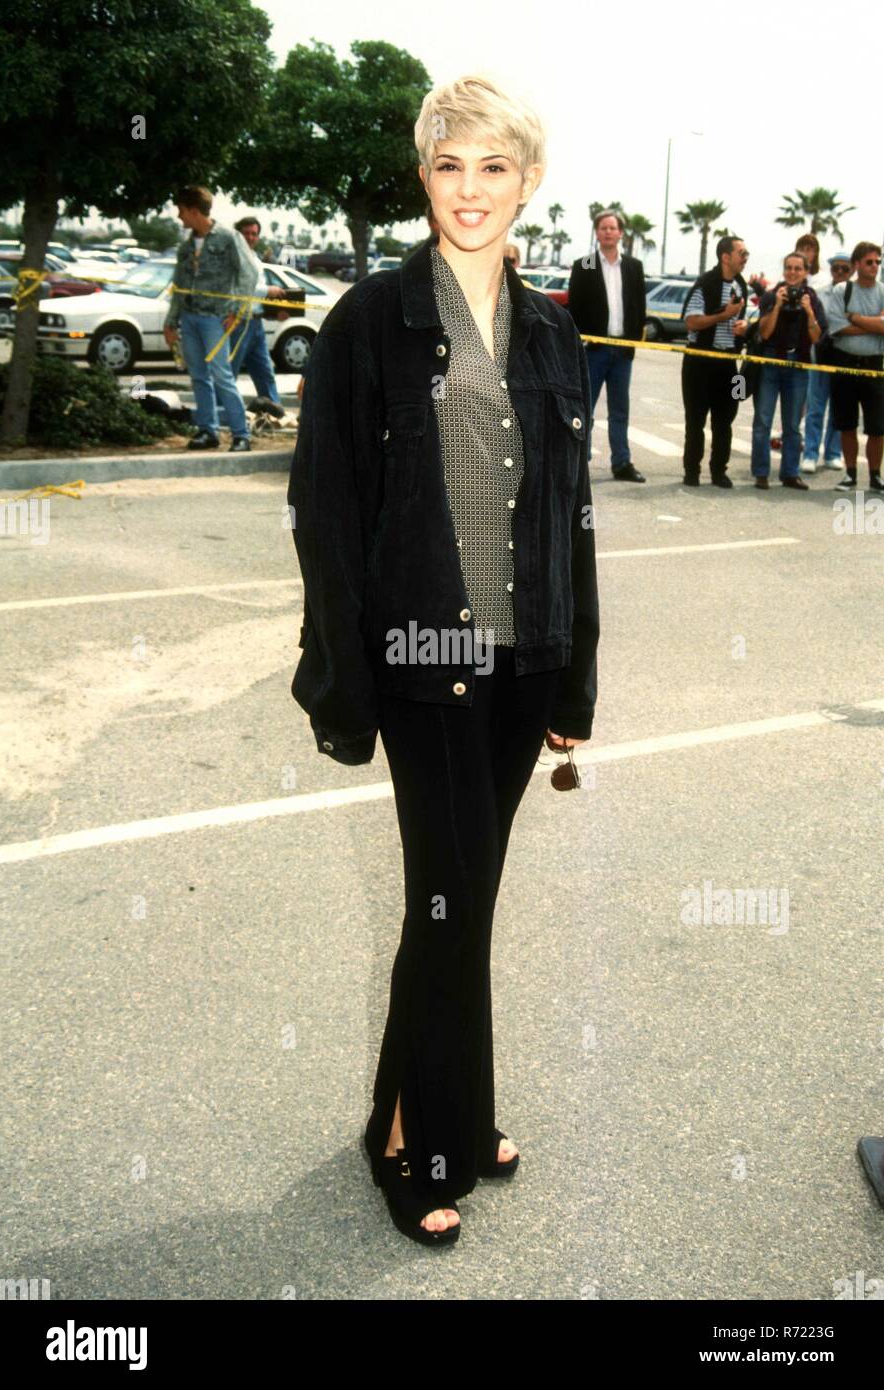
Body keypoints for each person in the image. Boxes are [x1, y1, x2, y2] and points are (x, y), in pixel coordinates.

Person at [287, 73, 599, 1246]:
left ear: (528, 182)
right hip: (425, 656)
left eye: (495, 167)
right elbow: (326, 510)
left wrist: (577, 677)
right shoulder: (370, 321)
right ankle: (417, 1140)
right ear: (424, 177)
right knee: (446, 898)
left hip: (524, 661)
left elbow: (570, 514)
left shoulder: (558, 328)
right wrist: (345, 674)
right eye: (450, 165)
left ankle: (438, 1112)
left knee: (464, 901)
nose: (472, 189)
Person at [163, 186, 259, 453]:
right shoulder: (185, 247)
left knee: (222, 376)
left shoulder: (229, 238)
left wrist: (237, 312)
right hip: (190, 318)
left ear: (194, 211)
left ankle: (241, 435)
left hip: (216, 319)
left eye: (181, 211)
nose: (179, 217)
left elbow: (249, 275)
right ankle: (208, 431)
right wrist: (171, 322)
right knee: (198, 377)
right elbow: (178, 286)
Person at [567, 210, 647, 481]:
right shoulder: (586, 264)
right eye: (603, 228)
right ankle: (580, 463)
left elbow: (639, 307)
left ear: (621, 233)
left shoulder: (633, 266)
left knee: (620, 410)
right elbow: (575, 307)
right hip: (594, 351)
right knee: (585, 409)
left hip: (622, 352)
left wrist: (632, 343)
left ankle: (622, 463)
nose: (609, 232)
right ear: (597, 233)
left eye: (613, 228)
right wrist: (581, 342)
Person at [750, 253, 825, 490]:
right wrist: (777, 306)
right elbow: (765, 333)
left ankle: (790, 473)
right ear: (784, 271)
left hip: (798, 365)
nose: (793, 273)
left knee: (792, 424)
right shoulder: (772, 296)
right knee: (763, 419)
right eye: (789, 268)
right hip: (772, 360)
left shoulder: (812, 298)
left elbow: (816, 337)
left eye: (798, 269)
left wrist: (809, 311)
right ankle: (761, 473)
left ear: (805, 272)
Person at [679, 236, 749, 487]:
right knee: (695, 420)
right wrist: (724, 315)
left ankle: (719, 471)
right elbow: (691, 321)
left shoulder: (741, 285)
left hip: (728, 362)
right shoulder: (705, 284)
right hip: (699, 360)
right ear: (725, 257)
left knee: (725, 420)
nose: (746, 257)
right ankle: (692, 471)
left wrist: (742, 326)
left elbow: (739, 319)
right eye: (741, 252)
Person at [825, 241, 884, 493]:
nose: (874, 267)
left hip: (874, 364)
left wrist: (855, 318)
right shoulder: (842, 290)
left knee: (878, 426)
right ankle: (850, 474)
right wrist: (872, 325)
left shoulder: (883, 291)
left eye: (878, 262)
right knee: (846, 423)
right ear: (857, 264)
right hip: (845, 362)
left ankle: (875, 475)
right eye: (869, 262)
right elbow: (837, 328)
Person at [802, 252, 852, 474]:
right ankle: (810, 453)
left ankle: (833, 453)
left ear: (852, 270)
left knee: (839, 408)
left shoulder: (856, 293)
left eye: (845, 268)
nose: (840, 272)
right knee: (815, 407)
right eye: (836, 268)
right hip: (821, 354)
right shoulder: (820, 293)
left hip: (845, 355)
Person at [229, 216, 287, 405]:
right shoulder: (233, 257)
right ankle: (221, 414)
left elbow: (257, 298)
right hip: (238, 323)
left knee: (265, 372)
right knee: (229, 374)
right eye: (247, 233)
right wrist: (268, 290)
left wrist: (274, 312)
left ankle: (274, 410)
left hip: (256, 324)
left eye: (254, 234)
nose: (251, 237)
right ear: (238, 234)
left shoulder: (254, 258)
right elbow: (240, 287)